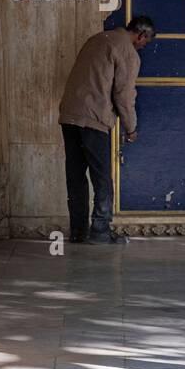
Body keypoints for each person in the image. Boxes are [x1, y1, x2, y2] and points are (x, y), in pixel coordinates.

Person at [58, 15, 155, 244]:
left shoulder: (97, 39)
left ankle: (78, 231)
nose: (143, 47)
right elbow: (124, 95)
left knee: (75, 176)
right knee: (101, 177)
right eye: (145, 42)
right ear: (141, 35)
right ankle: (100, 230)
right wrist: (131, 128)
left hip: (70, 115)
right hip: (94, 118)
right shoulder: (127, 52)